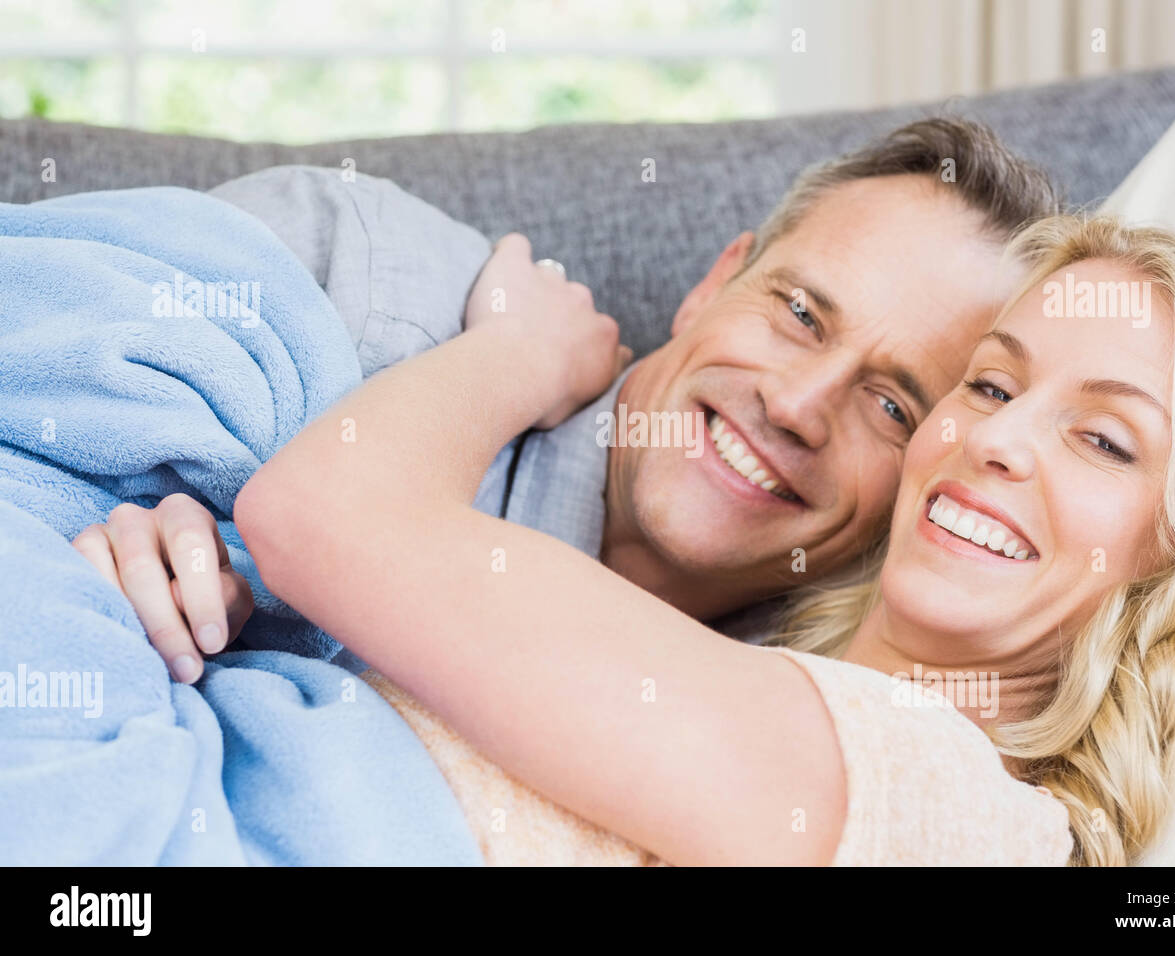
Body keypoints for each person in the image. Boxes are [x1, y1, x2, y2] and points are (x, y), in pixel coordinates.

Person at [215, 217, 1175, 865]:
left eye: (1105, 441)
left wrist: (525, 353)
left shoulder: (939, 803)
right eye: (990, 382)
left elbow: (317, 515)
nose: (996, 439)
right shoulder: (751, 673)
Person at [70, 118, 1060, 682]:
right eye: (799, 312)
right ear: (715, 283)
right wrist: (72, 544)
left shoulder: (799, 706)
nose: (801, 404)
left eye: (893, 405)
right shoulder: (359, 275)